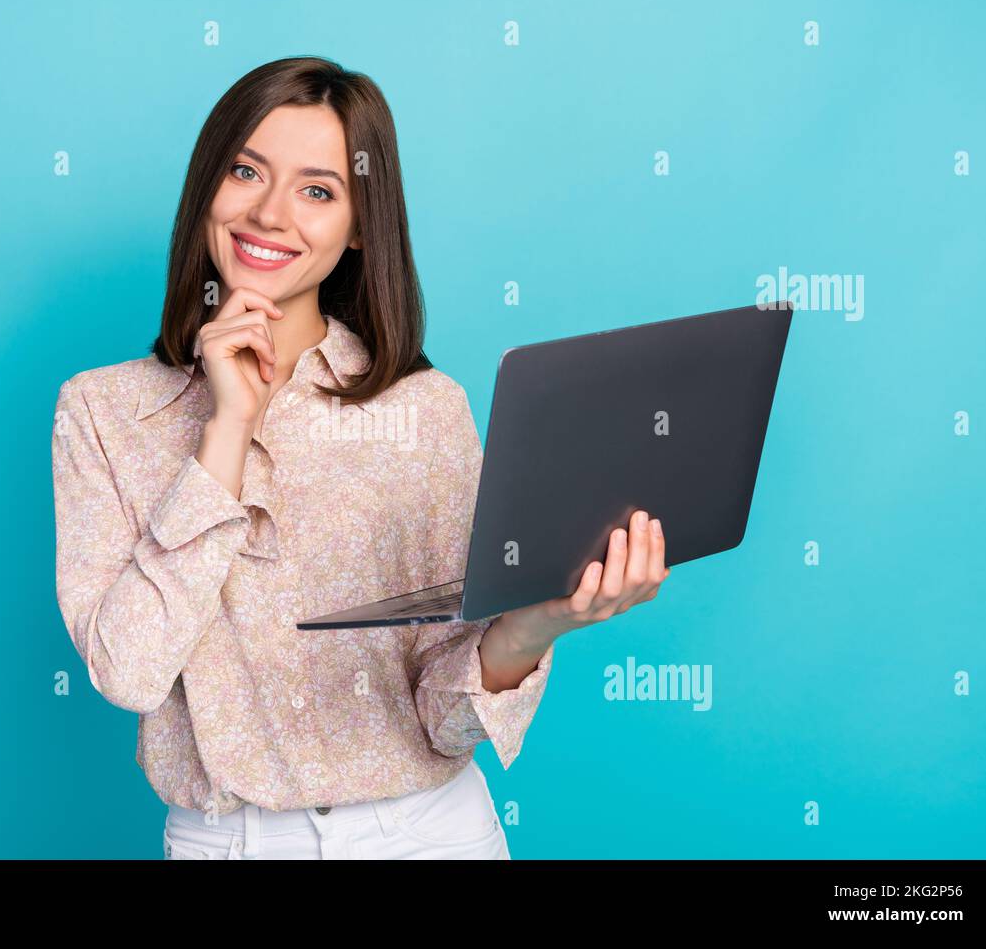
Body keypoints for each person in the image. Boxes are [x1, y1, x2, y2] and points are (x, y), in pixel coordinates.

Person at [51, 56, 670, 860]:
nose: (270, 214)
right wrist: (226, 432)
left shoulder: (424, 409)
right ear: (207, 187)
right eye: (245, 172)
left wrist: (540, 621)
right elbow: (127, 671)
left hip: (428, 836)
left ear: (357, 230)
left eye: (317, 190)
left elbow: (444, 721)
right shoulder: (104, 412)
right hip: (226, 842)